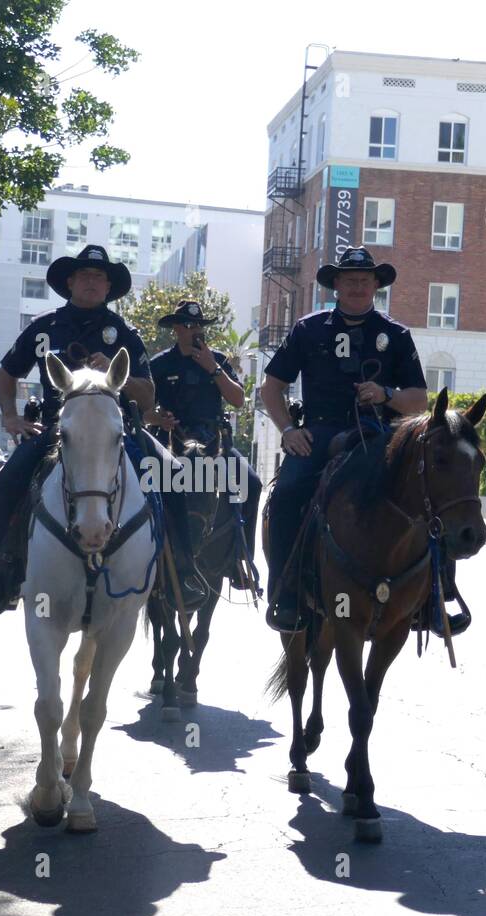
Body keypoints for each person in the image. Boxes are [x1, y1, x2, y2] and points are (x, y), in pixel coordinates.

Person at [0, 244, 209, 615]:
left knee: (174, 478)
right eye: (85, 276)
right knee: (5, 483)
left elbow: (147, 396)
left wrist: (117, 372)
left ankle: (183, 572)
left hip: (120, 431)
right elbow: (7, 373)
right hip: (57, 431)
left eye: (100, 277)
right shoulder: (44, 328)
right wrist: (10, 417)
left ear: (109, 287)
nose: (92, 283)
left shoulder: (123, 333)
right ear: (70, 282)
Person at [260, 245, 437, 632]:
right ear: (336, 284)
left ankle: (435, 598)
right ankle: (285, 594)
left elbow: (420, 400)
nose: (357, 286)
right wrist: (288, 431)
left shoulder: (396, 334)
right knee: (287, 492)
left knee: (431, 496)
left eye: (365, 280)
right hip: (318, 432)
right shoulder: (308, 329)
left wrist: (386, 394)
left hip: (379, 435)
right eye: (349, 280)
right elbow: (271, 388)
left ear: (376, 284)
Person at [146, 300, 262, 590]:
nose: (194, 330)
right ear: (176, 329)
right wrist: (157, 418)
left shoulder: (218, 360)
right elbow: (143, 408)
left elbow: (237, 399)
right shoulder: (160, 364)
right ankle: (143, 554)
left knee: (252, 483)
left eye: (198, 325)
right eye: (187, 325)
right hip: (173, 446)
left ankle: (240, 558)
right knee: (143, 485)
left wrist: (213, 368)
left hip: (214, 446)